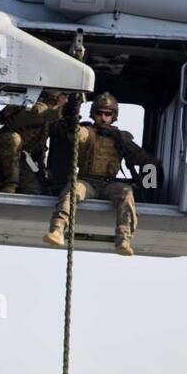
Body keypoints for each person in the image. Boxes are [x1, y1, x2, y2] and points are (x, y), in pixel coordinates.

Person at [43, 92, 156, 256]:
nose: (103, 117)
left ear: (113, 115)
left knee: (126, 193)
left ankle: (123, 239)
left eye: (107, 113)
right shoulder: (88, 132)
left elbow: (143, 160)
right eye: (99, 113)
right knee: (72, 189)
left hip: (110, 184)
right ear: (93, 114)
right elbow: (79, 135)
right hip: (87, 182)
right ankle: (57, 229)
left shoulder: (121, 138)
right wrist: (72, 121)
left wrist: (151, 182)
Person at [0, 90, 67, 193]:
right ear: (54, 96)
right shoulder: (34, 107)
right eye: (65, 96)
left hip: (16, 158)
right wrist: (63, 112)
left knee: (33, 190)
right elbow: (40, 114)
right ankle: (10, 185)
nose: (66, 100)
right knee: (13, 138)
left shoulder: (49, 121)